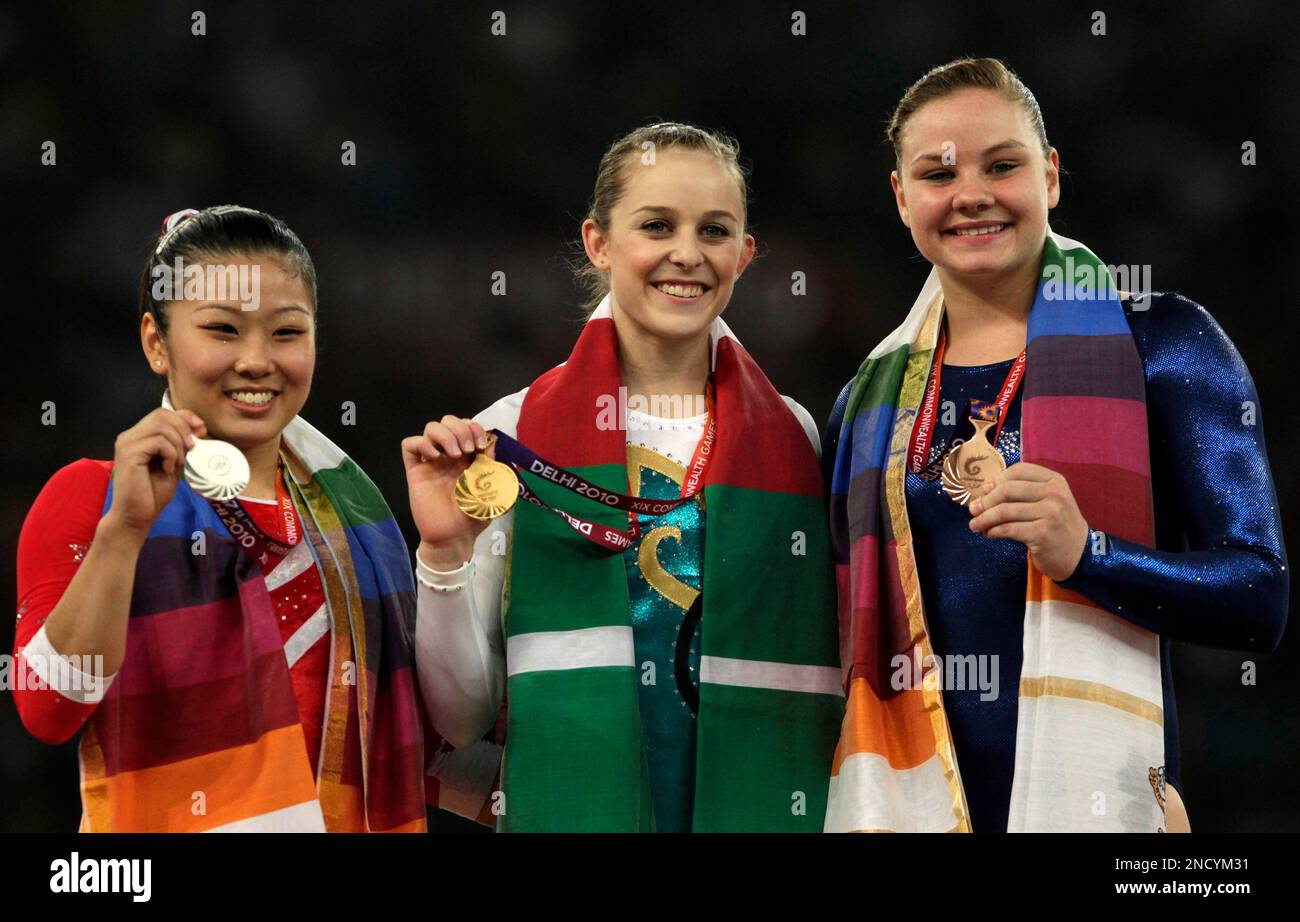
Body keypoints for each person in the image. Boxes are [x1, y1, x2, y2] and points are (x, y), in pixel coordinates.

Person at [823, 58, 1288, 832]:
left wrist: (1090, 554)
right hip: (903, 807)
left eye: (1002, 166)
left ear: (1051, 176)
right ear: (902, 197)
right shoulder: (863, 409)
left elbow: (1259, 597)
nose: (972, 193)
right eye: (938, 174)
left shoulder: (1163, 343)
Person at [405, 122, 842, 832]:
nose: (687, 254)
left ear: (745, 254)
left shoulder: (794, 433)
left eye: (714, 231)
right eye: (657, 225)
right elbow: (460, 721)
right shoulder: (508, 437)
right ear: (599, 243)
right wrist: (444, 556)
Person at [13, 206, 427, 832]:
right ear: (157, 342)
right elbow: (48, 706)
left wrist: (448, 556)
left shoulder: (355, 522)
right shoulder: (91, 496)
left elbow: (445, 727)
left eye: (286, 332)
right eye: (223, 331)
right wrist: (124, 534)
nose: (257, 360)